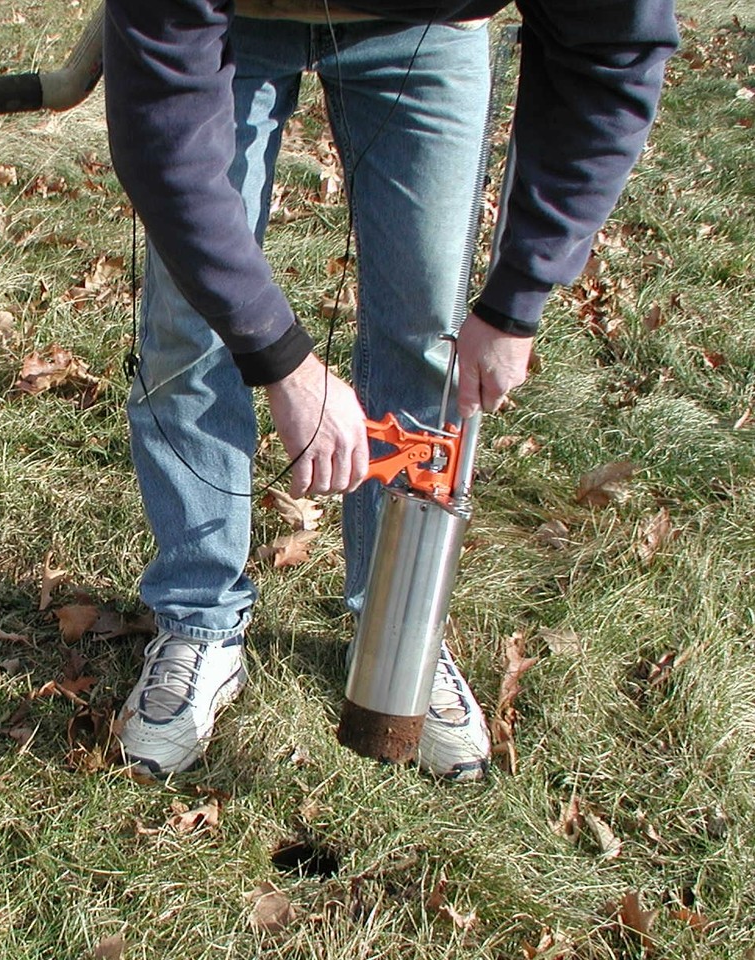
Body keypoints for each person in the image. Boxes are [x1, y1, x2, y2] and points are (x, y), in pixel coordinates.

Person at [102, 0, 678, 779]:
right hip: (232, 20)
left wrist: (517, 299)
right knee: (187, 331)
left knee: (425, 337)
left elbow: (611, 58)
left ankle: (395, 629)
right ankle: (200, 621)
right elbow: (164, 129)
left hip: (428, 25)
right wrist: (283, 361)